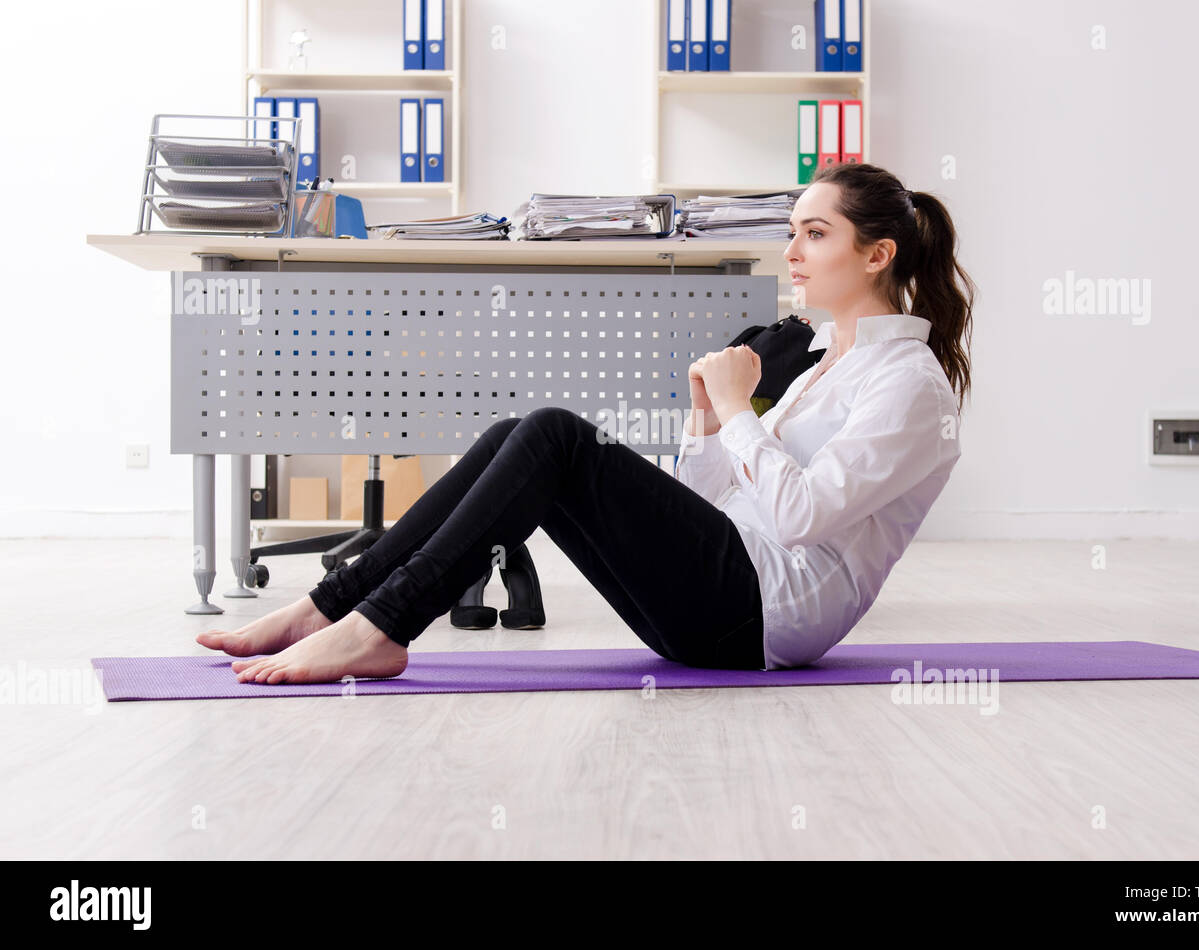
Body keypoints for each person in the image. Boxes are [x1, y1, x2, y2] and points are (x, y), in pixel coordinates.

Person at [197, 161, 974, 684]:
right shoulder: (817, 364)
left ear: (877, 256)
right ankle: (332, 606)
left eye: (815, 234)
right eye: (792, 231)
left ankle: (383, 627)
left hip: (763, 617)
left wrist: (741, 409)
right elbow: (716, 502)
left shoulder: (911, 384)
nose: (792, 252)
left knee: (556, 434)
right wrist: (708, 423)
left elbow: (803, 519)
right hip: (727, 589)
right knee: (520, 432)